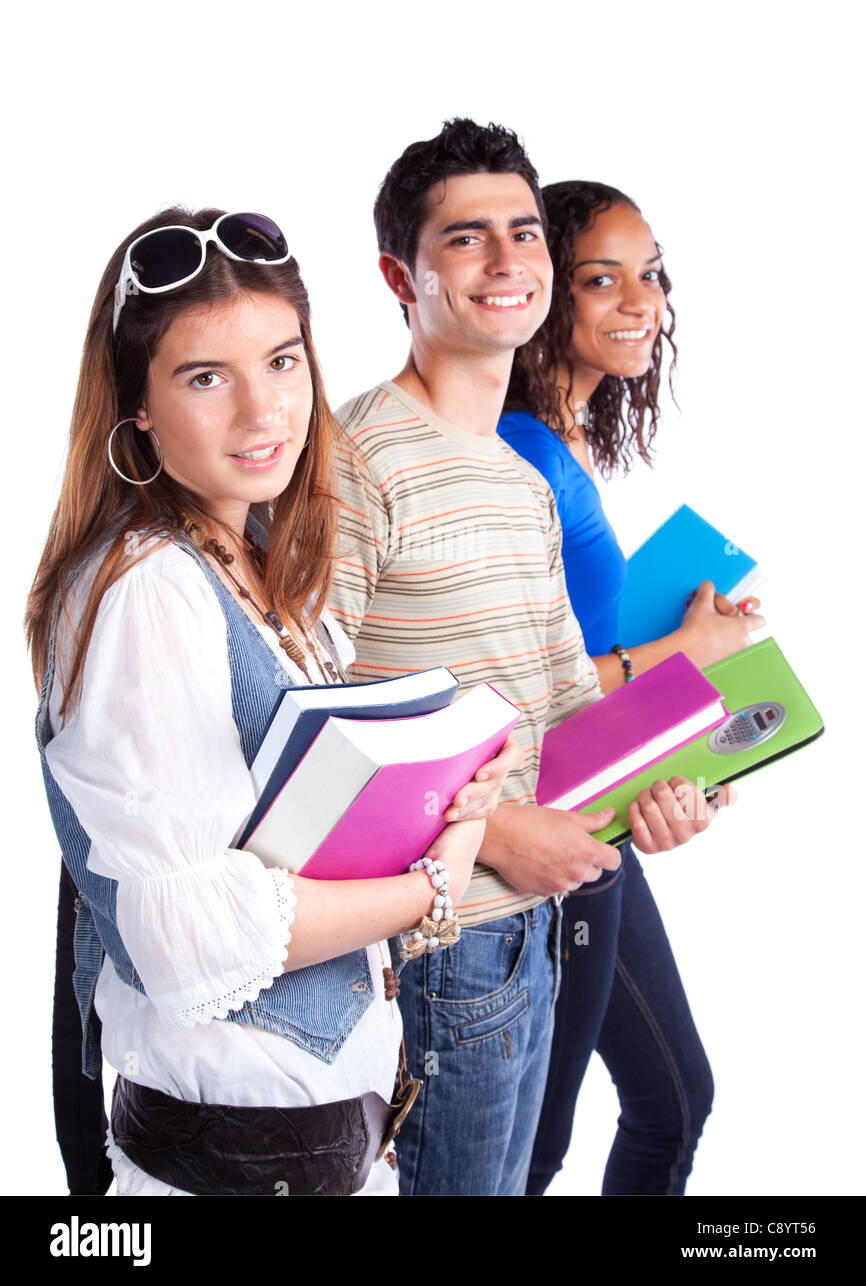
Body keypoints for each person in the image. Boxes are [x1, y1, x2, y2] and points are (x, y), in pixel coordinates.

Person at [27, 206, 515, 1197]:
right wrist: (435, 882)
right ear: (138, 411)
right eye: (207, 377)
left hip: (318, 1153)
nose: (263, 413)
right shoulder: (150, 591)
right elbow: (185, 939)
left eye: (282, 361)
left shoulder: (247, 563)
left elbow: (276, 844)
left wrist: (439, 796)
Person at [328, 121, 733, 1197]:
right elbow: (302, 729)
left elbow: (557, 715)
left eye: (522, 232)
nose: (507, 261)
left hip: (531, 929)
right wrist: (502, 827)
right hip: (439, 940)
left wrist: (667, 784)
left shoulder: (512, 480)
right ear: (398, 276)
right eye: (466, 239)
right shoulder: (350, 461)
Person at [498, 180, 764, 1195]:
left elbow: (582, 651)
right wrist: (682, 656)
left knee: (671, 1099)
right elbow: (528, 684)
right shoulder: (520, 452)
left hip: (592, 821)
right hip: (542, 838)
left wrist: (696, 706)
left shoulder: (561, 445)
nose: (638, 298)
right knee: (532, 1144)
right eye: (599, 277)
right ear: (541, 298)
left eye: (648, 273)